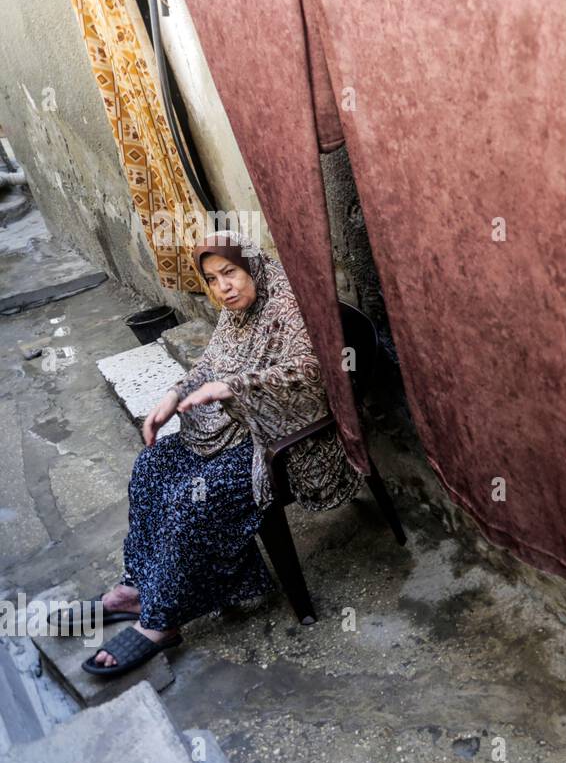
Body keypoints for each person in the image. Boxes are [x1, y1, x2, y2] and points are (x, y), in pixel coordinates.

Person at [81, 231, 362, 676]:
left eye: (230, 272)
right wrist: (175, 394)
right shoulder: (235, 315)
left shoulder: (291, 305)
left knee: (190, 501)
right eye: (212, 279)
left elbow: (311, 374)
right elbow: (211, 364)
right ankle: (138, 587)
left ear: (251, 266)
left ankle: (162, 621)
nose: (223, 287)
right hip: (240, 428)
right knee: (151, 467)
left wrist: (234, 387)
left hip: (289, 438)